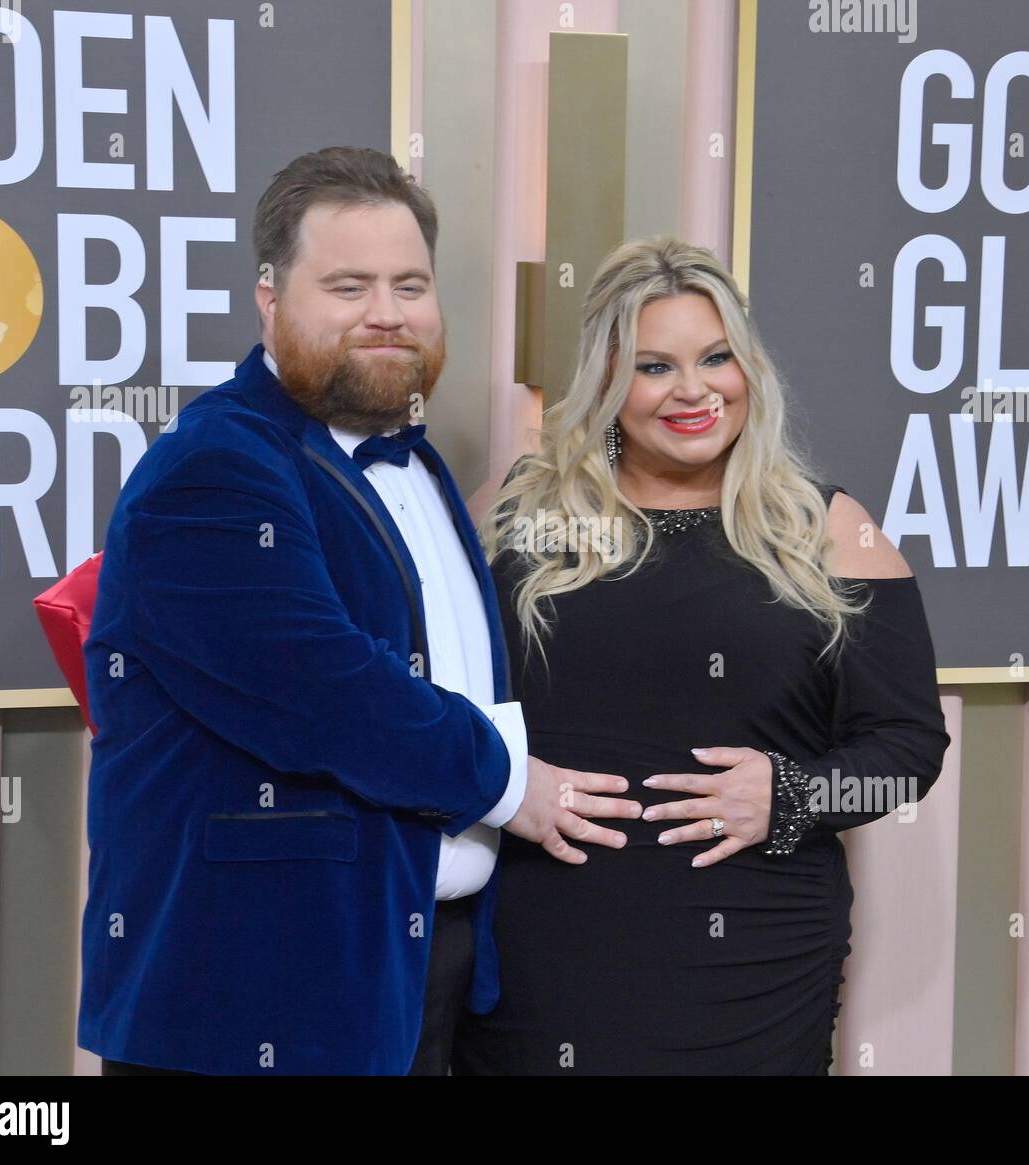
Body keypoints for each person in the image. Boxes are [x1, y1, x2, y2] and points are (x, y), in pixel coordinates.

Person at [79, 146, 639, 1076]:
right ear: (269, 300)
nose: (387, 312)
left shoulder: (414, 459)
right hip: (254, 995)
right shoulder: (215, 466)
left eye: (409, 285)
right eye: (348, 286)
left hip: (412, 976)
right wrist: (512, 783)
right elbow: (326, 694)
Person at [452, 237, 952, 1075]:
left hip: (752, 963)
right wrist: (503, 781)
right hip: (543, 954)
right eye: (656, 367)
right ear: (608, 381)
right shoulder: (515, 513)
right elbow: (426, 700)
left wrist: (790, 795)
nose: (694, 390)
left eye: (716, 358)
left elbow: (907, 755)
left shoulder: (828, 529)